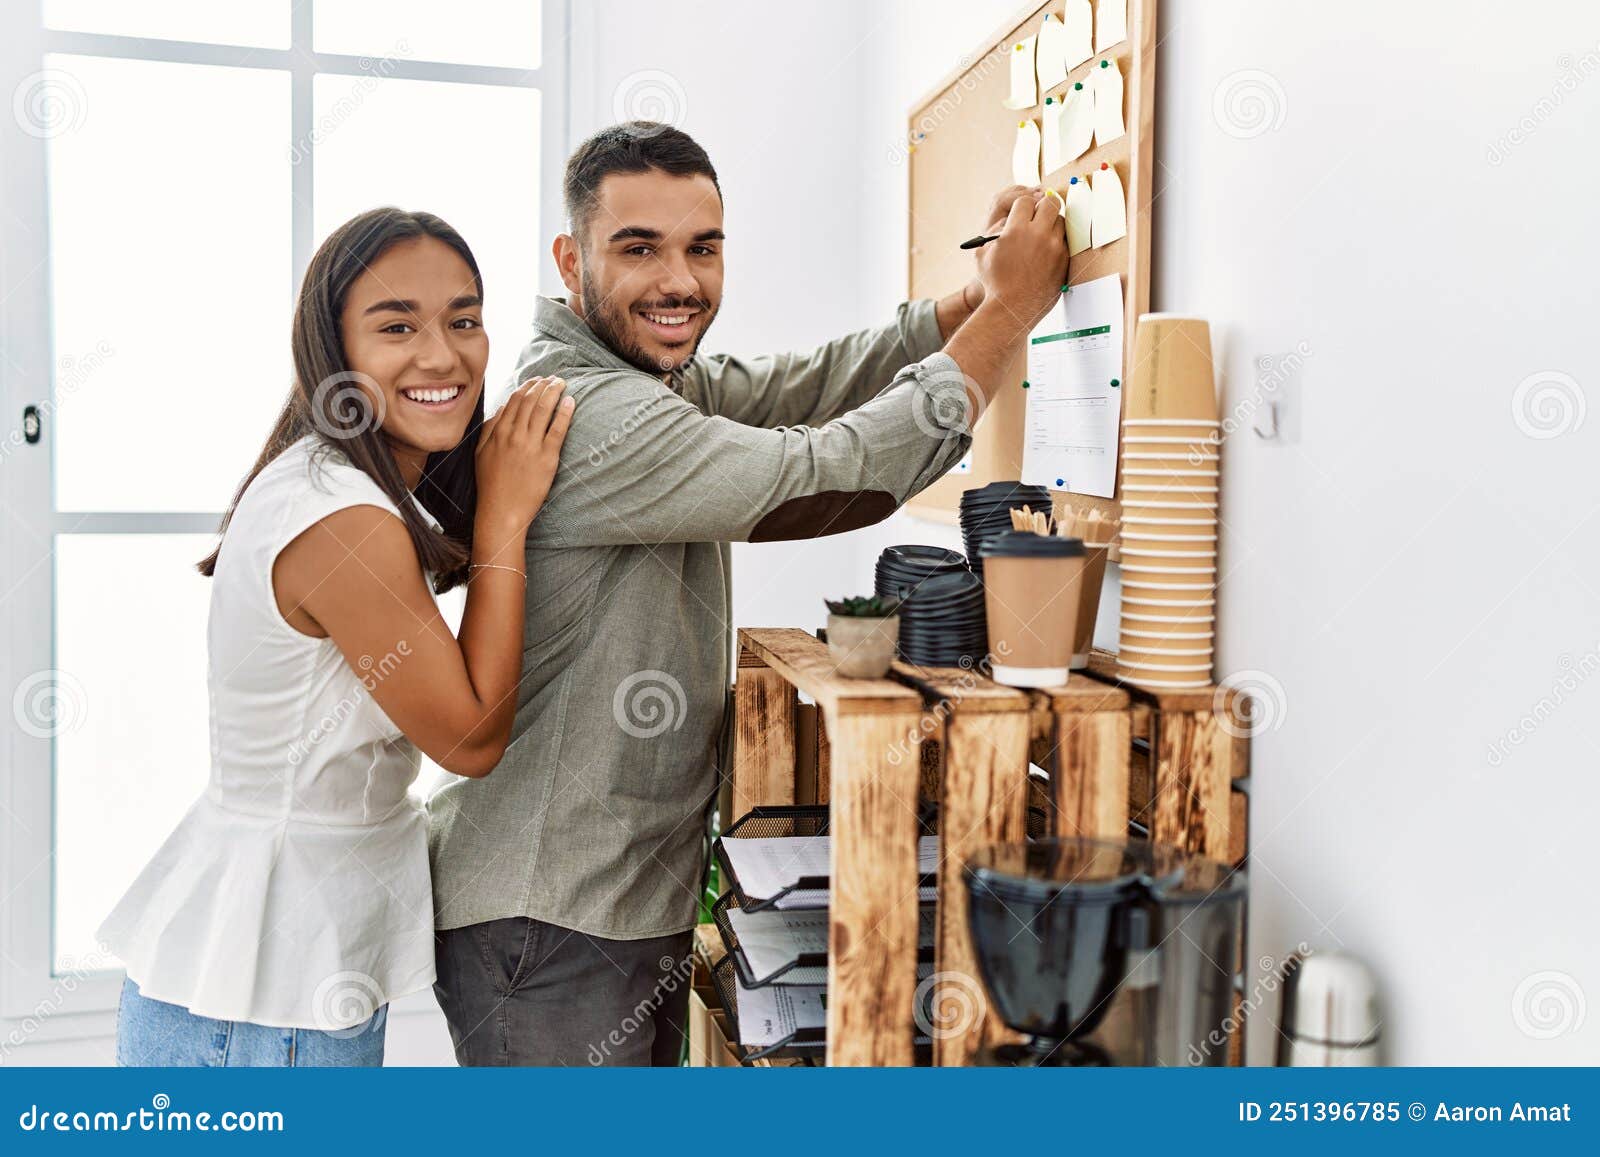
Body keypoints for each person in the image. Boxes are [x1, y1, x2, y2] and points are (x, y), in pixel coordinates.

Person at [428, 122, 1069, 1065]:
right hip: (549, 920)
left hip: (597, 906)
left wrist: (970, 302)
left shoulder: (645, 376)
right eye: (638, 248)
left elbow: (794, 386)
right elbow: (822, 474)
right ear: (571, 260)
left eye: (703, 247)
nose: (679, 281)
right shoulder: (590, 411)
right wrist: (1010, 317)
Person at [97, 207, 573, 1066]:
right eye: (398, 326)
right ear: (334, 351)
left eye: (464, 319)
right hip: (265, 991)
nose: (444, 354)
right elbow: (470, 737)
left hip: (270, 974)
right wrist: (506, 514)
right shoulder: (344, 519)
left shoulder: (341, 481)